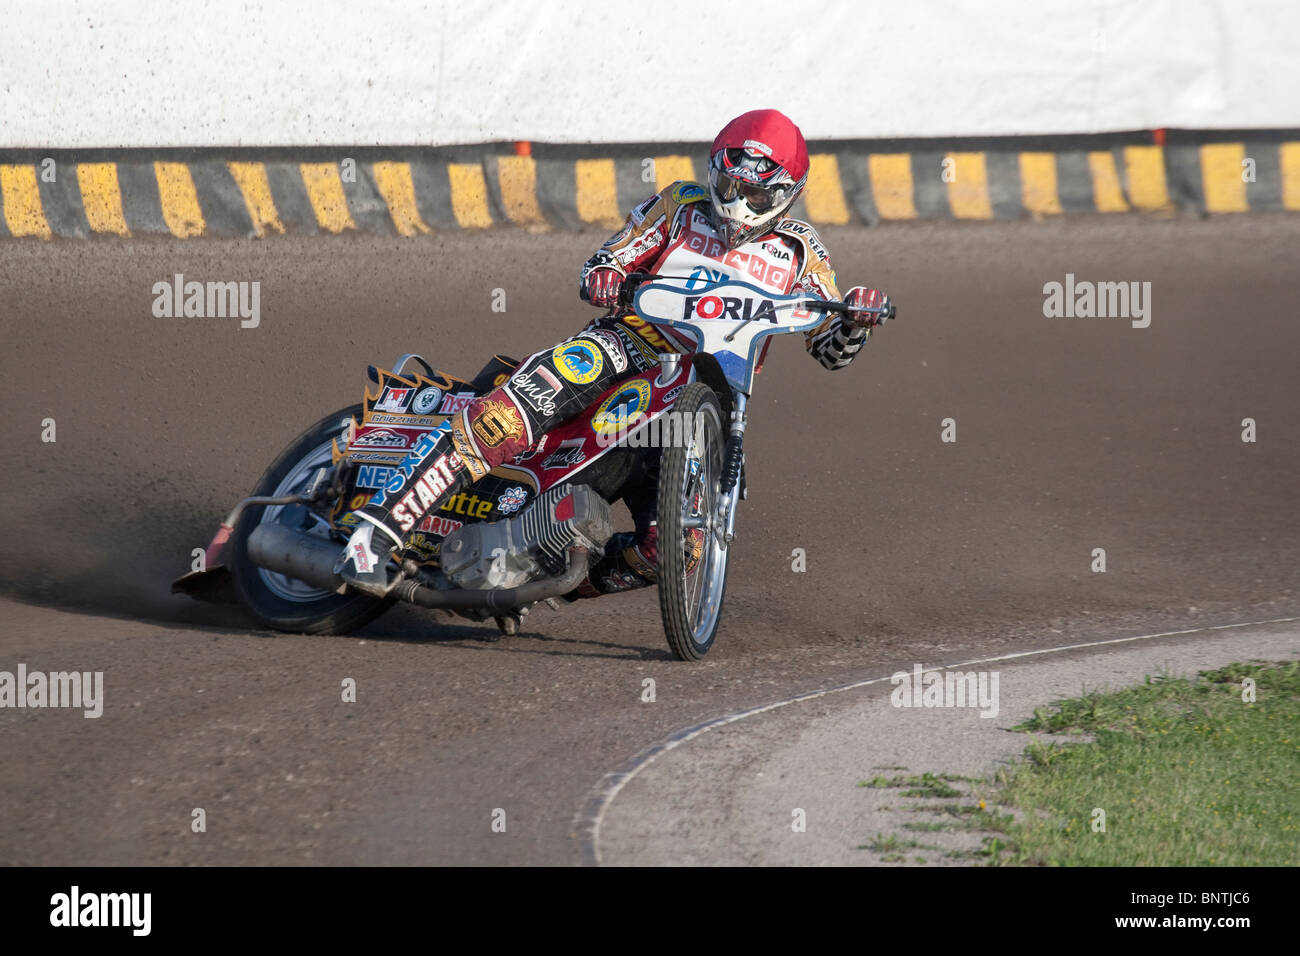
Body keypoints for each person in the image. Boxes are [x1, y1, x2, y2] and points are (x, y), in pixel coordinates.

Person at [336, 108, 895, 597]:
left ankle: (543, 570)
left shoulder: (802, 250)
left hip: (707, 403)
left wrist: (858, 318)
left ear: (785, 193)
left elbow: (830, 347)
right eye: (730, 184)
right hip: (628, 344)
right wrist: (606, 274)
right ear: (715, 170)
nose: (737, 201)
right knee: (516, 410)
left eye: (754, 193)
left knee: (676, 553)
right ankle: (380, 527)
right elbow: (608, 259)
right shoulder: (680, 204)